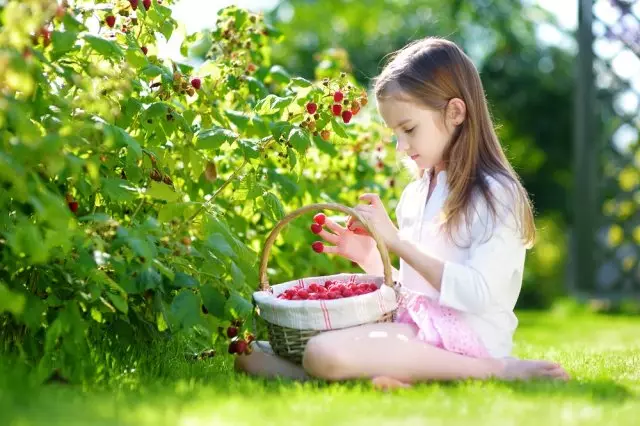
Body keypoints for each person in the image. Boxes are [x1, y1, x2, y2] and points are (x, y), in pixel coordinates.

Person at [235, 37, 569, 389]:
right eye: (395, 133)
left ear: (455, 112)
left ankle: (497, 369)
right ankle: (381, 380)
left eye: (409, 129)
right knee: (249, 355)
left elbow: (477, 293)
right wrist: (369, 257)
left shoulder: (495, 193)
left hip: (468, 344)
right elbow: (413, 289)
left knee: (321, 354)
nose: (402, 146)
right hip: (415, 328)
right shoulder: (418, 192)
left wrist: (394, 241)